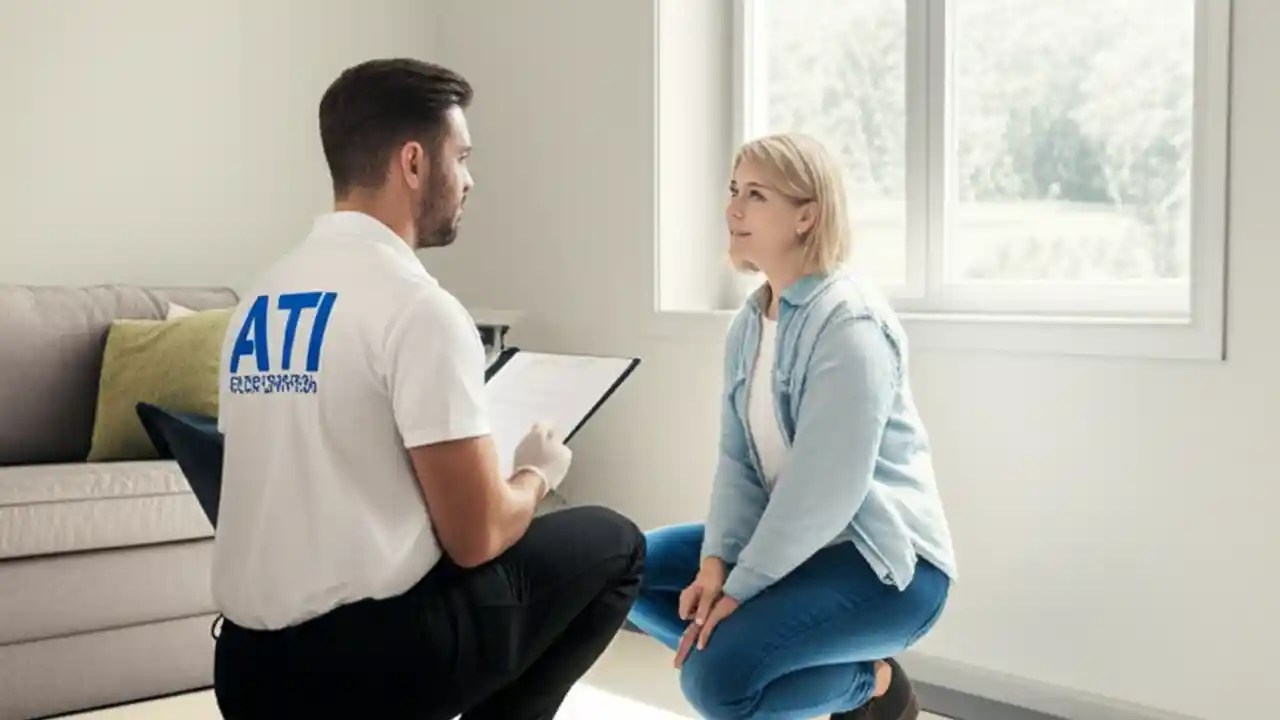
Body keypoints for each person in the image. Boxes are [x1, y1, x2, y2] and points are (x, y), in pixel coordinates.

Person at [210, 58, 645, 719]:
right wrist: (536, 472)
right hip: (366, 673)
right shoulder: (418, 307)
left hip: (246, 673)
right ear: (414, 163)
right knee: (616, 542)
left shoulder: (259, 300)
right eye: (462, 157)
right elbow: (477, 536)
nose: (469, 180)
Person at [627, 134, 957, 720]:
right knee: (621, 568)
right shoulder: (752, 323)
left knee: (716, 680)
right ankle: (802, 663)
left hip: (885, 567)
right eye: (733, 191)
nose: (733, 210)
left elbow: (822, 494)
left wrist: (737, 590)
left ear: (806, 216)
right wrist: (713, 566)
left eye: (755, 195)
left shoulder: (849, 325)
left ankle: (870, 685)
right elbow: (737, 463)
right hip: (799, 550)